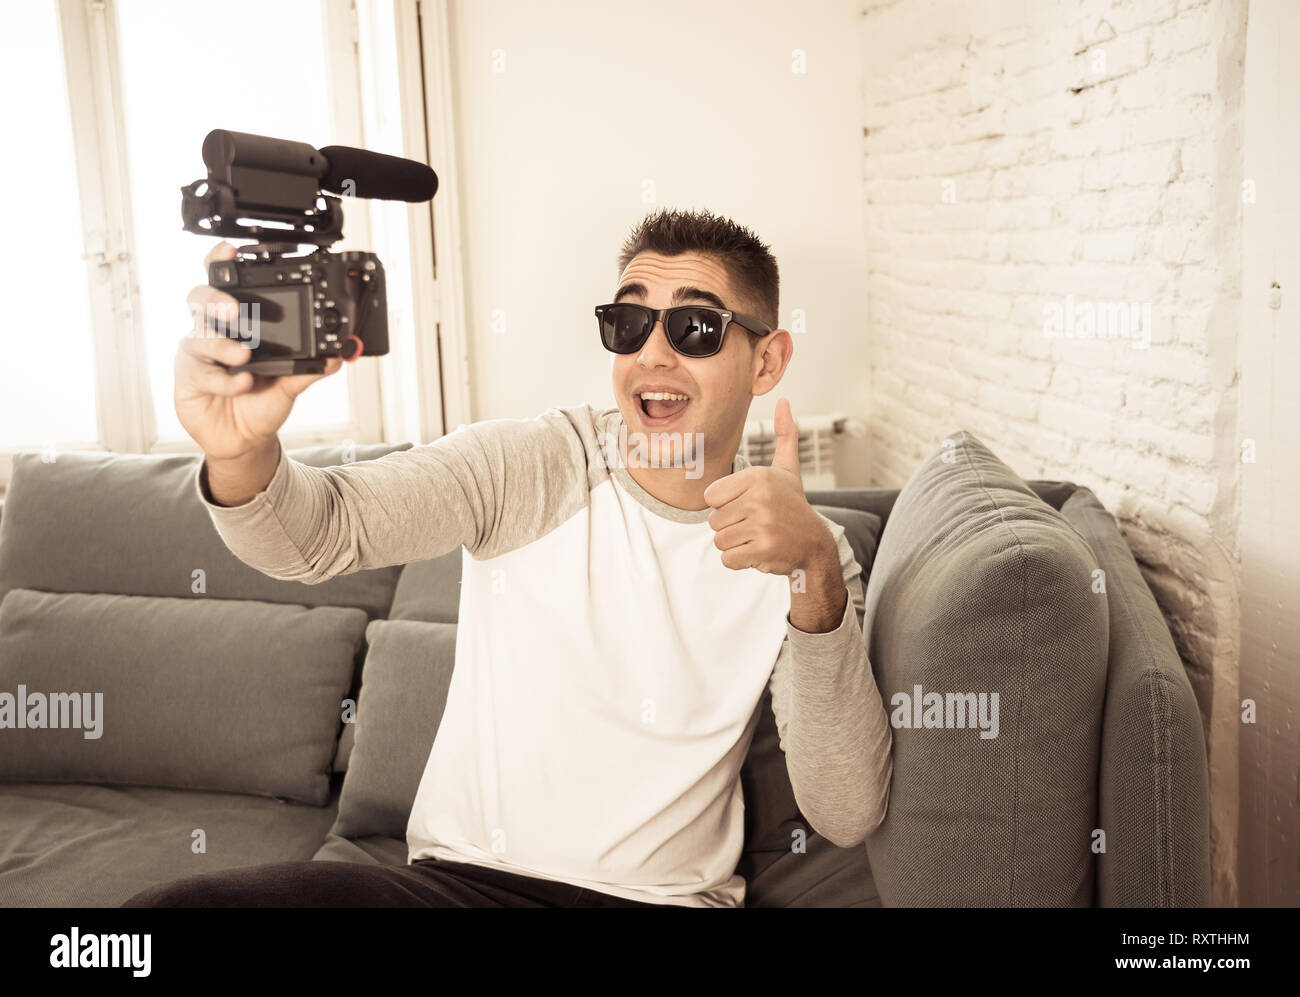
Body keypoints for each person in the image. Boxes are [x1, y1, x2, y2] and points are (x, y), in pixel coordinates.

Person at [123, 208, 892, 909]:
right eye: (628, 324)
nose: (652, 355)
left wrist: (813, 574)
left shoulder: (806, 550)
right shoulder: (532, 465)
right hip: (459, 888)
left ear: (767, 361)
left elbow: (847, 808)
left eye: (695, 327)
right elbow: (322, 531)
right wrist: (244, 450)